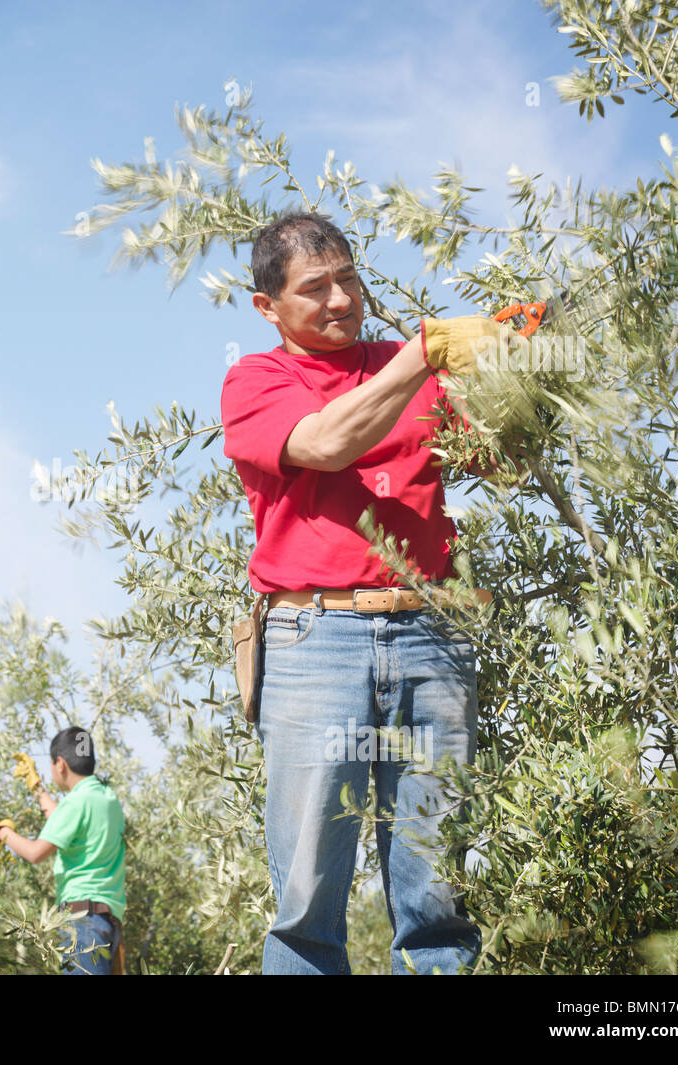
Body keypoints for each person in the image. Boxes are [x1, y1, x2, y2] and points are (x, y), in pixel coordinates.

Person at [220, 209, 503, 975]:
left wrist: (522, 369)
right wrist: (421, 357)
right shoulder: (256, 380)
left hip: (431, 635)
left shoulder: (415, 367)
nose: (342, 298)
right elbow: (324, 442)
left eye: (349, 277)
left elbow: (503, 455)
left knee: (436, 892)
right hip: (316, 639)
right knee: (309, 900)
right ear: (267, 306)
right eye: (316, 288)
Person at [0, 727, 126, 974]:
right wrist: (36, 787)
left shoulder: (76, 803)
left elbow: (36, 852)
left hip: (83, 923)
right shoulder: (107, 798)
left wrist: (4, 833)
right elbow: (64, 823)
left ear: (61, 764)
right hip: (108, 923)